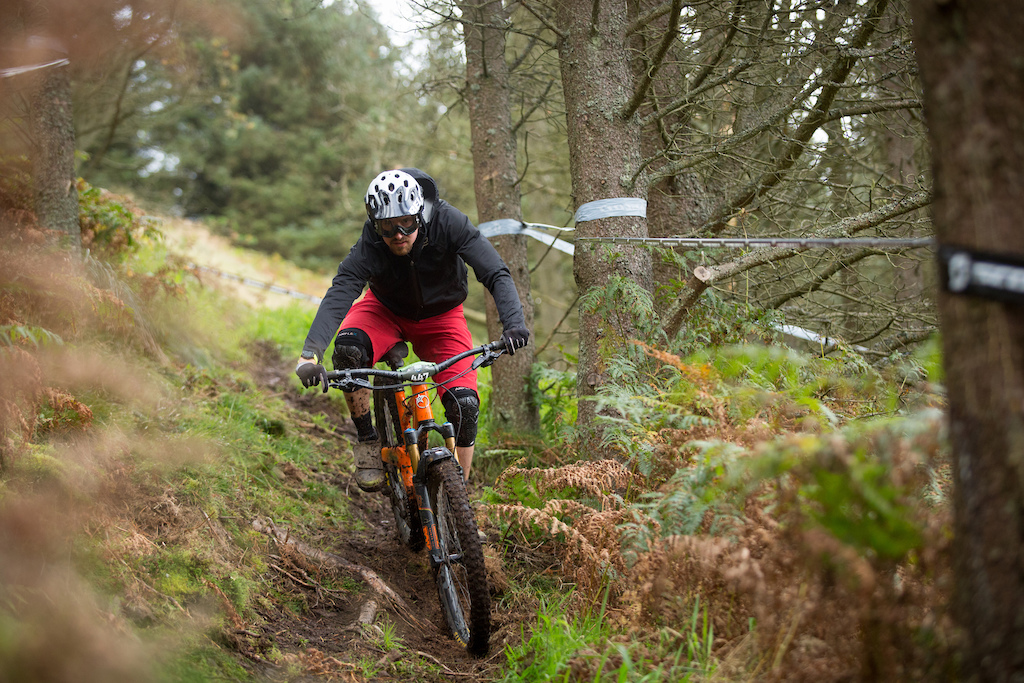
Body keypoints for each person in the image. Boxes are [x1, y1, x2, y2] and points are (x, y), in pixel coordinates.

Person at [295, 168, 529, 492]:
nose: (398, 234)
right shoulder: (371, 242)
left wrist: (514, 324)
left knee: (465, 406)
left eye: (405, 222)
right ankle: (367, 441)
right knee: (348, 351)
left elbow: (495, 272)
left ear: (419, 213)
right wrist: (310, 354)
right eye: (387, 227)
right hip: (384, 310)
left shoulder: (449, 222)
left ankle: (459, 500)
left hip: (442, 317)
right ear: (375, 224)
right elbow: (342, 289)